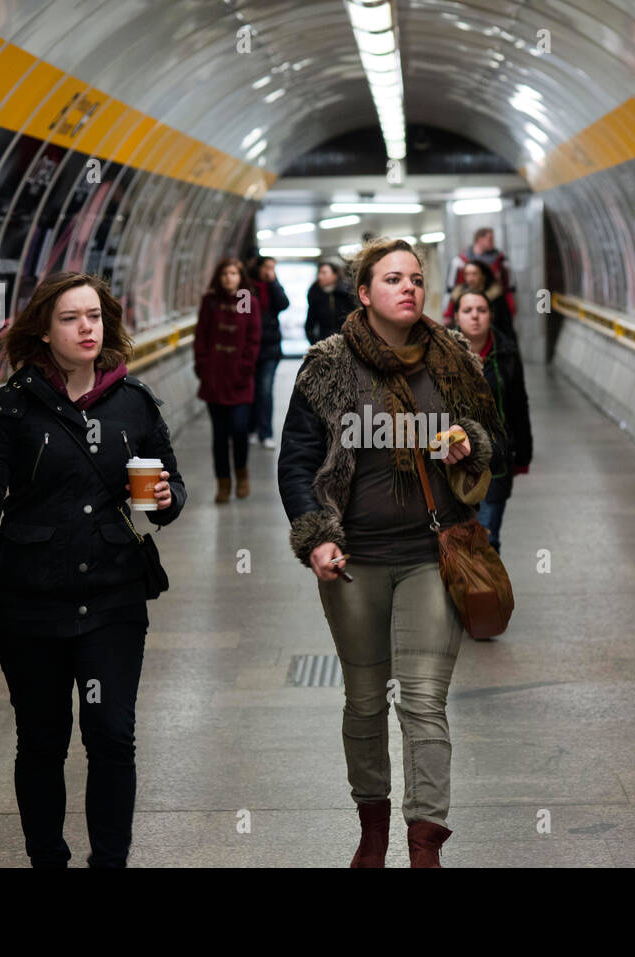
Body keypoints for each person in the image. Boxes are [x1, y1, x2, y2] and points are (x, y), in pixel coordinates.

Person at [277, 237, 504, 868]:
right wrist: (317, 535)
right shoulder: (327, 365)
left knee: (425, 700)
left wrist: (471, 444)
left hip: (435, 553)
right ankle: (371, 824)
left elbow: (493, 441)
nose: (409, 288)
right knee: (365, 698)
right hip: (355, 560)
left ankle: (424, 842)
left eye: (417, 278)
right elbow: (297, 462)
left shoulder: (453, 359)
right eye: (393, 278)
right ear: (365, 292)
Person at [0, 271, 187, 868]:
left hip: (113, 598)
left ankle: (109, 862)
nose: (86, 328)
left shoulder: (134, 401)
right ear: (45, 331)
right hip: (30, 603)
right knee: (43, 741)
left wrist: (164, 499)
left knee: (111, 735)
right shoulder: (13, 407)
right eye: (70, 318)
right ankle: (47, 860)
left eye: (95, 317)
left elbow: (171, 489)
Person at [450, 290, 532, 552]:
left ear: (491, 315)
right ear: (456, 316)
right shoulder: (442, 355)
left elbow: (518, 405)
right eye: (467, 310)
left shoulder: (506, 353)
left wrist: (523, 456)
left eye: (481, 310)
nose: (475, 316)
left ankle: (486, 593)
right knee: (454, 542)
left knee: (486, 541)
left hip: (496, 462)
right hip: (452, 463)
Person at [194, 258, 261, 502]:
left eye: (233, 273)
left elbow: (252, 337)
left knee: (239, 429)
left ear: (240, 276)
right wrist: (203, 366)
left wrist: (244, 368)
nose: (228, 278)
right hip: (214, 379)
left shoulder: (245, 300)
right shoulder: (211, 302)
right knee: (219, 435)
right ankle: (223, 482)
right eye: (224, 273)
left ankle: (241, 474)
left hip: (239, 379)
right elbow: (201, 336)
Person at [249, 256, 289, 449]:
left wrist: (273, 282)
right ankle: (254, 428)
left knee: (264, 388)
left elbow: (283, 304)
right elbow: (242, 313)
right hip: (250, 347)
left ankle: (266, 432)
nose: (269, 271)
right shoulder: (247, 287)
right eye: (267, 267)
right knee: (252, 389)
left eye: (273, 268)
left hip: (270, 346)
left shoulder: (274, 286)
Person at [444, 258, 515, 342]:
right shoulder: (458, 295)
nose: (470, 278)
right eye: (467, 274)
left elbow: (505, 325)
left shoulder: (495, 295)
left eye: (474, 274)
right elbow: (449, 319)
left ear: (483, 276)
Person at [446, 226, 514, 314]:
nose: (493, 242)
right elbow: (450, 289)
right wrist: (448, 314)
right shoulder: (460, 261)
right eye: (490, 239)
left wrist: (510, 306)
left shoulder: (500, 260)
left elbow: (508, 286)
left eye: (474, 274)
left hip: (494, 300)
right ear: (480, 240)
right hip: (466, 297)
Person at [305, 261, 357, 344]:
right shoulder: (315, 294)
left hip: (346, 342)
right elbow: (310, 324)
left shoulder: (347, 294)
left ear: (335, 275)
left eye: (324, 273)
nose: (320, 276)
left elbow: (356, 319)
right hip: (323, 342)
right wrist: (315, 343)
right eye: (319, 273)